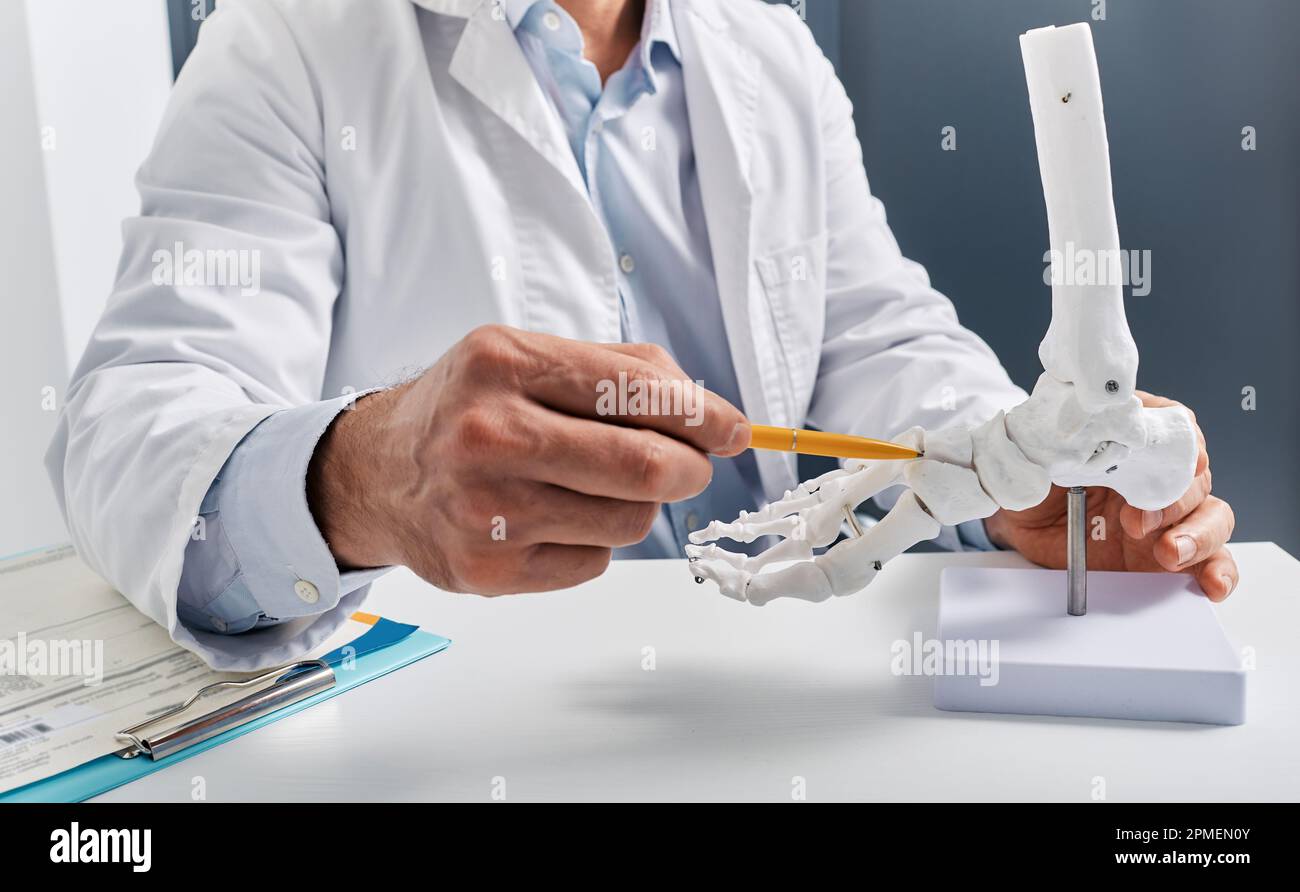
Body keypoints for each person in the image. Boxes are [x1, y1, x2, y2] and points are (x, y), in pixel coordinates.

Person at [46, 0, 1235, 670]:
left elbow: (872, 337)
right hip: (476, 723)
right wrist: (363, 477)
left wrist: (1015, 471)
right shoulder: (287, 40)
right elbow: (128, 427)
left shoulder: (768, 48)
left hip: (781, 692)